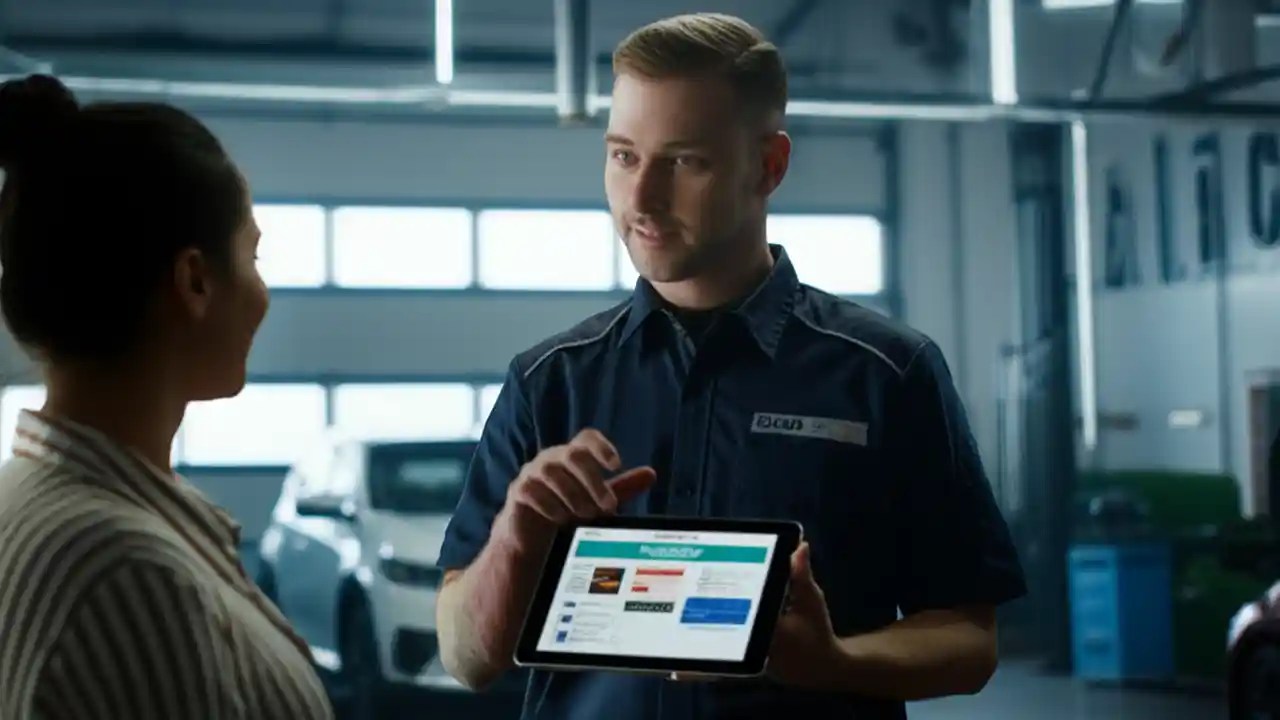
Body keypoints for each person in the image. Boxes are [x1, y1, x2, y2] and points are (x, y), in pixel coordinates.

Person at [436, 12, 1027, 719]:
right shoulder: (549, 383)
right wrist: (513, 537)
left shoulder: (887, 375)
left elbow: (969, 640)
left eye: (686, 162)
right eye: (624, 156)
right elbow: (466, 658)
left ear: (769, 166)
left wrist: (835, 663)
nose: (642, 199)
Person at [0, 75, 332, 720]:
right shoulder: (131, 575)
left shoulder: (26, 499)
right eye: (252, 256)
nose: (263, 293)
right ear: (195, 280)